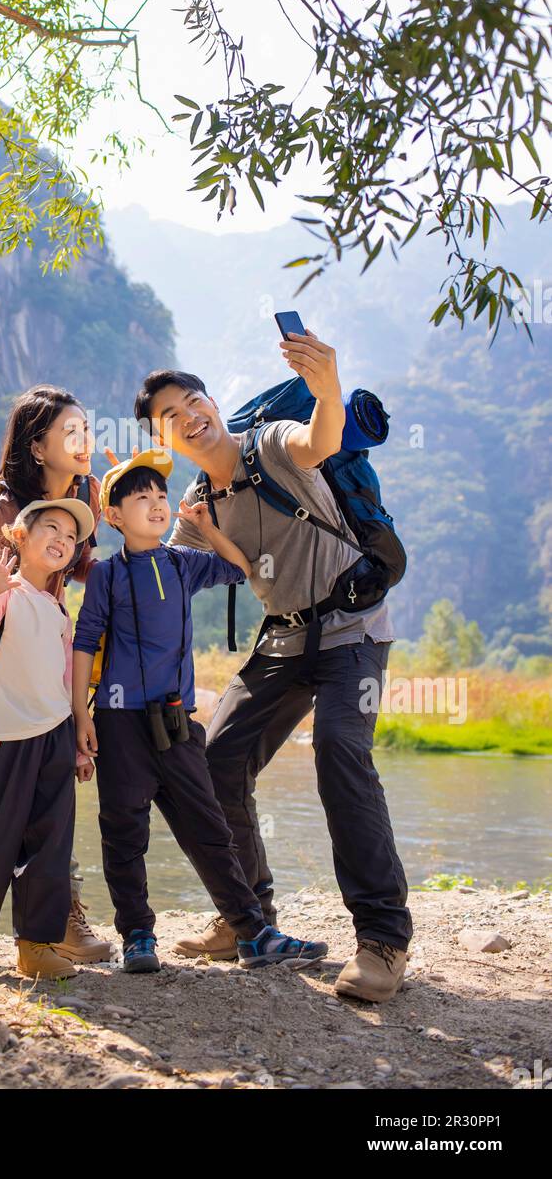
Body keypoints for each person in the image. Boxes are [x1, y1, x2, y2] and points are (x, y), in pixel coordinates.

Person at [133, 331, 412, 1003]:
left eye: (192, 400)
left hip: (353, 632)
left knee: (341, 752)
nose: (188, 416)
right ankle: (244, 918)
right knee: (211, 762)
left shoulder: (271, 443)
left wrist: (326, 388)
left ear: (211, 403)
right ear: (164, 439)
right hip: (283, 642)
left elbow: (318, 440)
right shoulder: (200, 501)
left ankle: (382, 939)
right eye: (170, 417)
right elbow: (161, 583)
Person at [72, 449, 328, 973]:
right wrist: (81, 718)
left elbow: (239, 567)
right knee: (124, 830)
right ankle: (138, 937)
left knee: (210, 829)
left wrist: (205, 526)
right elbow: (83, 644)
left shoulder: (182, 564)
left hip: (178, 724)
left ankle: (253, 933)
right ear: (114, 516)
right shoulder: (106, 575)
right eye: (141, 498)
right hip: (119, 724)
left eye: (162, 496)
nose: (157, 504)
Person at [0, 384, 111, 965]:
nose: (84, 440)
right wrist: (3, 591)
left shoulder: (81, 498)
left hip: (48, 669)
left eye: (86, 428)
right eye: (71, 431)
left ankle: (48, 930)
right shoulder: (8, 510)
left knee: (49, 815)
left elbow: (85, 568)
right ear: (38, 447)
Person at [0, 499, 96, 983]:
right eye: (52, 528)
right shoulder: (3, 594)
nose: (63, 541)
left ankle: (36, 947)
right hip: (1, 739)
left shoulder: (57, 608)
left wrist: (77, 738)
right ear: (19, 537)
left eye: (71, 538)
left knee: (49, 845)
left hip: (53, 738)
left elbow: (65, 680)